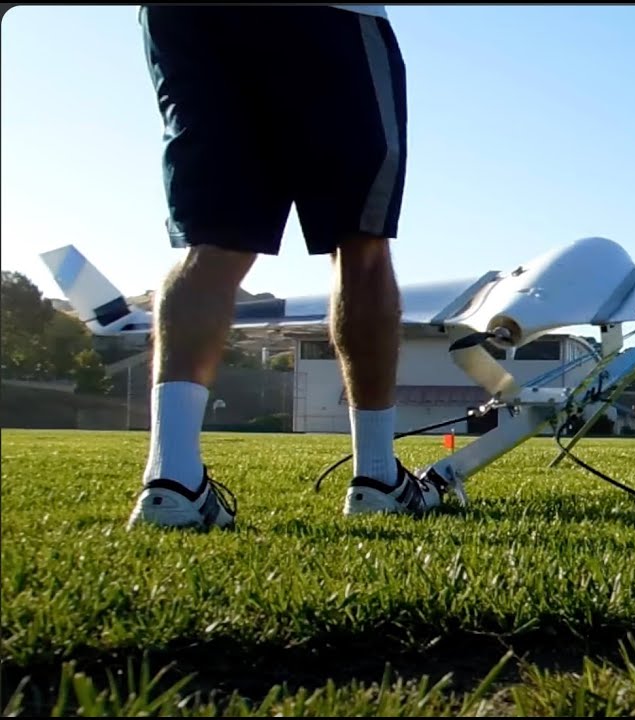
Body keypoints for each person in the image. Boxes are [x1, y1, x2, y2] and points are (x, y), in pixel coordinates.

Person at [130, 4, 437, 531]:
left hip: (184, 17)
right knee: (360, 245)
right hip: (326, 16)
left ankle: (172, 481)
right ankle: (378, 479)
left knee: (212, 245)